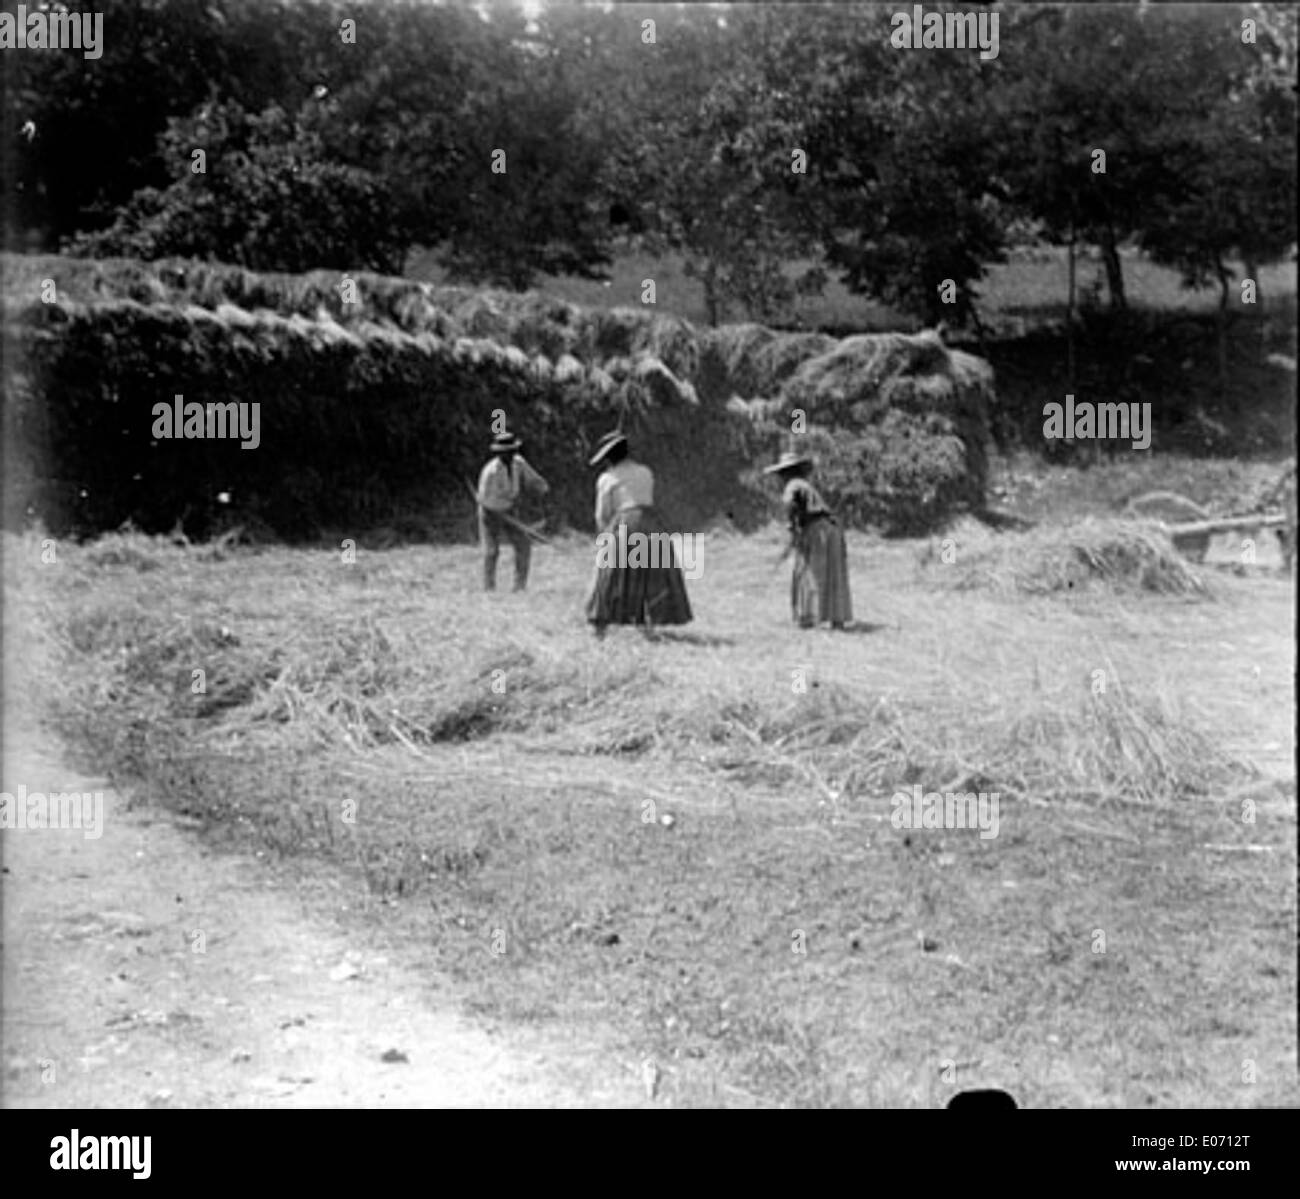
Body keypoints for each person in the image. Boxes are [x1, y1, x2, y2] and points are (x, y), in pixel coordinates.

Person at [584, 430, 692, 635]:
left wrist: (604, 539)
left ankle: (599, 629)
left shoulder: (607, 478)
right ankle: (646, 626)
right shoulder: (645, 471)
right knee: (650, 573)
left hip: (625, 522)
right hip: (652, 523)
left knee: (608, 575)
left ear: (609, 457)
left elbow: (602, 515)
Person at [764, 450, 852, 629]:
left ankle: (809, 618)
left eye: (781, 474)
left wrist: (791, 526)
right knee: (833, 573)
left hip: (818, 530)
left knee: (809, 572)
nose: (780, 479)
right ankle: (837, 620)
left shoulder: (793, 485)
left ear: (786, 473)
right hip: (831, 529)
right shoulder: (804, 484)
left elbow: (789, 502)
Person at [476, 430, 549, 591]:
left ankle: (519, 586)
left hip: (510, 510)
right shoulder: (490, 472)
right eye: (505, 452)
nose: (509, 455)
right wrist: (503, 516)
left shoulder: (519, 463)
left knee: (523, 545)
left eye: (512, 451)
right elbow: (486, 500)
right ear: (499, 453)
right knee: (491, 551)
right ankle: (489, 588)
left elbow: (535, 480)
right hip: (490, 512)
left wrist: (543, 490)